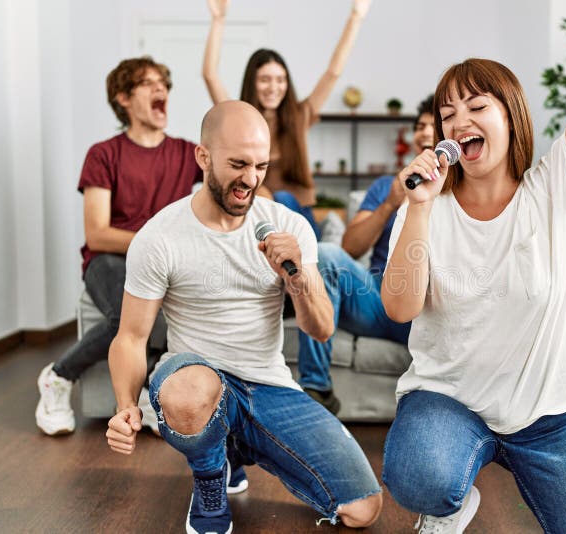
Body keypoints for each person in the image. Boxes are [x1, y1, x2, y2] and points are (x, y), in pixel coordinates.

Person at [381, 2, 566, 532]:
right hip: (446, 402)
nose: (458, 120)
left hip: (546, 417)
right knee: (419, 475)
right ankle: (448, 506)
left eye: (476, 105)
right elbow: (399, 308)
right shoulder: (424, 210)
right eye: (448, 112)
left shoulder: (555, 189)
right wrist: (418, 208)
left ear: (511, 116)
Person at [105, 101, 383, 534]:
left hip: (267, 385)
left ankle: (234, 447)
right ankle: (210, 479)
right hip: (198, 380)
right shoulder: (160, 236)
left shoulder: (288, 227)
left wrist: (297, 278)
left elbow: (321, 329)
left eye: (260, 166)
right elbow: (130, 337)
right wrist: (125, 406)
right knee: (190, 392)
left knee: (362, 509)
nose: (251, 179)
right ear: (203, 157)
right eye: (238, 164)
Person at [35, 56, 202, 437]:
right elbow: (97, 233)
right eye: (148, 83)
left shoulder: (186, 153)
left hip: (161, 264)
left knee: (180, 314)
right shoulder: (104, 154)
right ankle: (58, 376)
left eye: (164, 83)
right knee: (126, 317)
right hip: (108, 260)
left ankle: (146, 392)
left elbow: (228, 176)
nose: (160, 88)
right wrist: (155, 244)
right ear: (123, 98)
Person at [296, 96, 435, 414]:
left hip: (424, 309)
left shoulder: (461, 190)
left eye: (433, 126)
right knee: (326, 254)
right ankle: (317, 389)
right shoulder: (387, 186)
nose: (425, 132)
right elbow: (350, 248)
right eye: (420, 126)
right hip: (374, 298)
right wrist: (390, 203)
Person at [202, 0, 372, 239]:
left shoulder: (299, 115)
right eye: (265, 80)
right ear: (252, 82)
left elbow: (333, 72)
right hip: (258, 218)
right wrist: (218, 20)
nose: (274, 87)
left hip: (299, 220)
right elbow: (210, 75)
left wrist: (356, 16)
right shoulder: (238, 119)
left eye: (280, 80)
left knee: (280, 198)